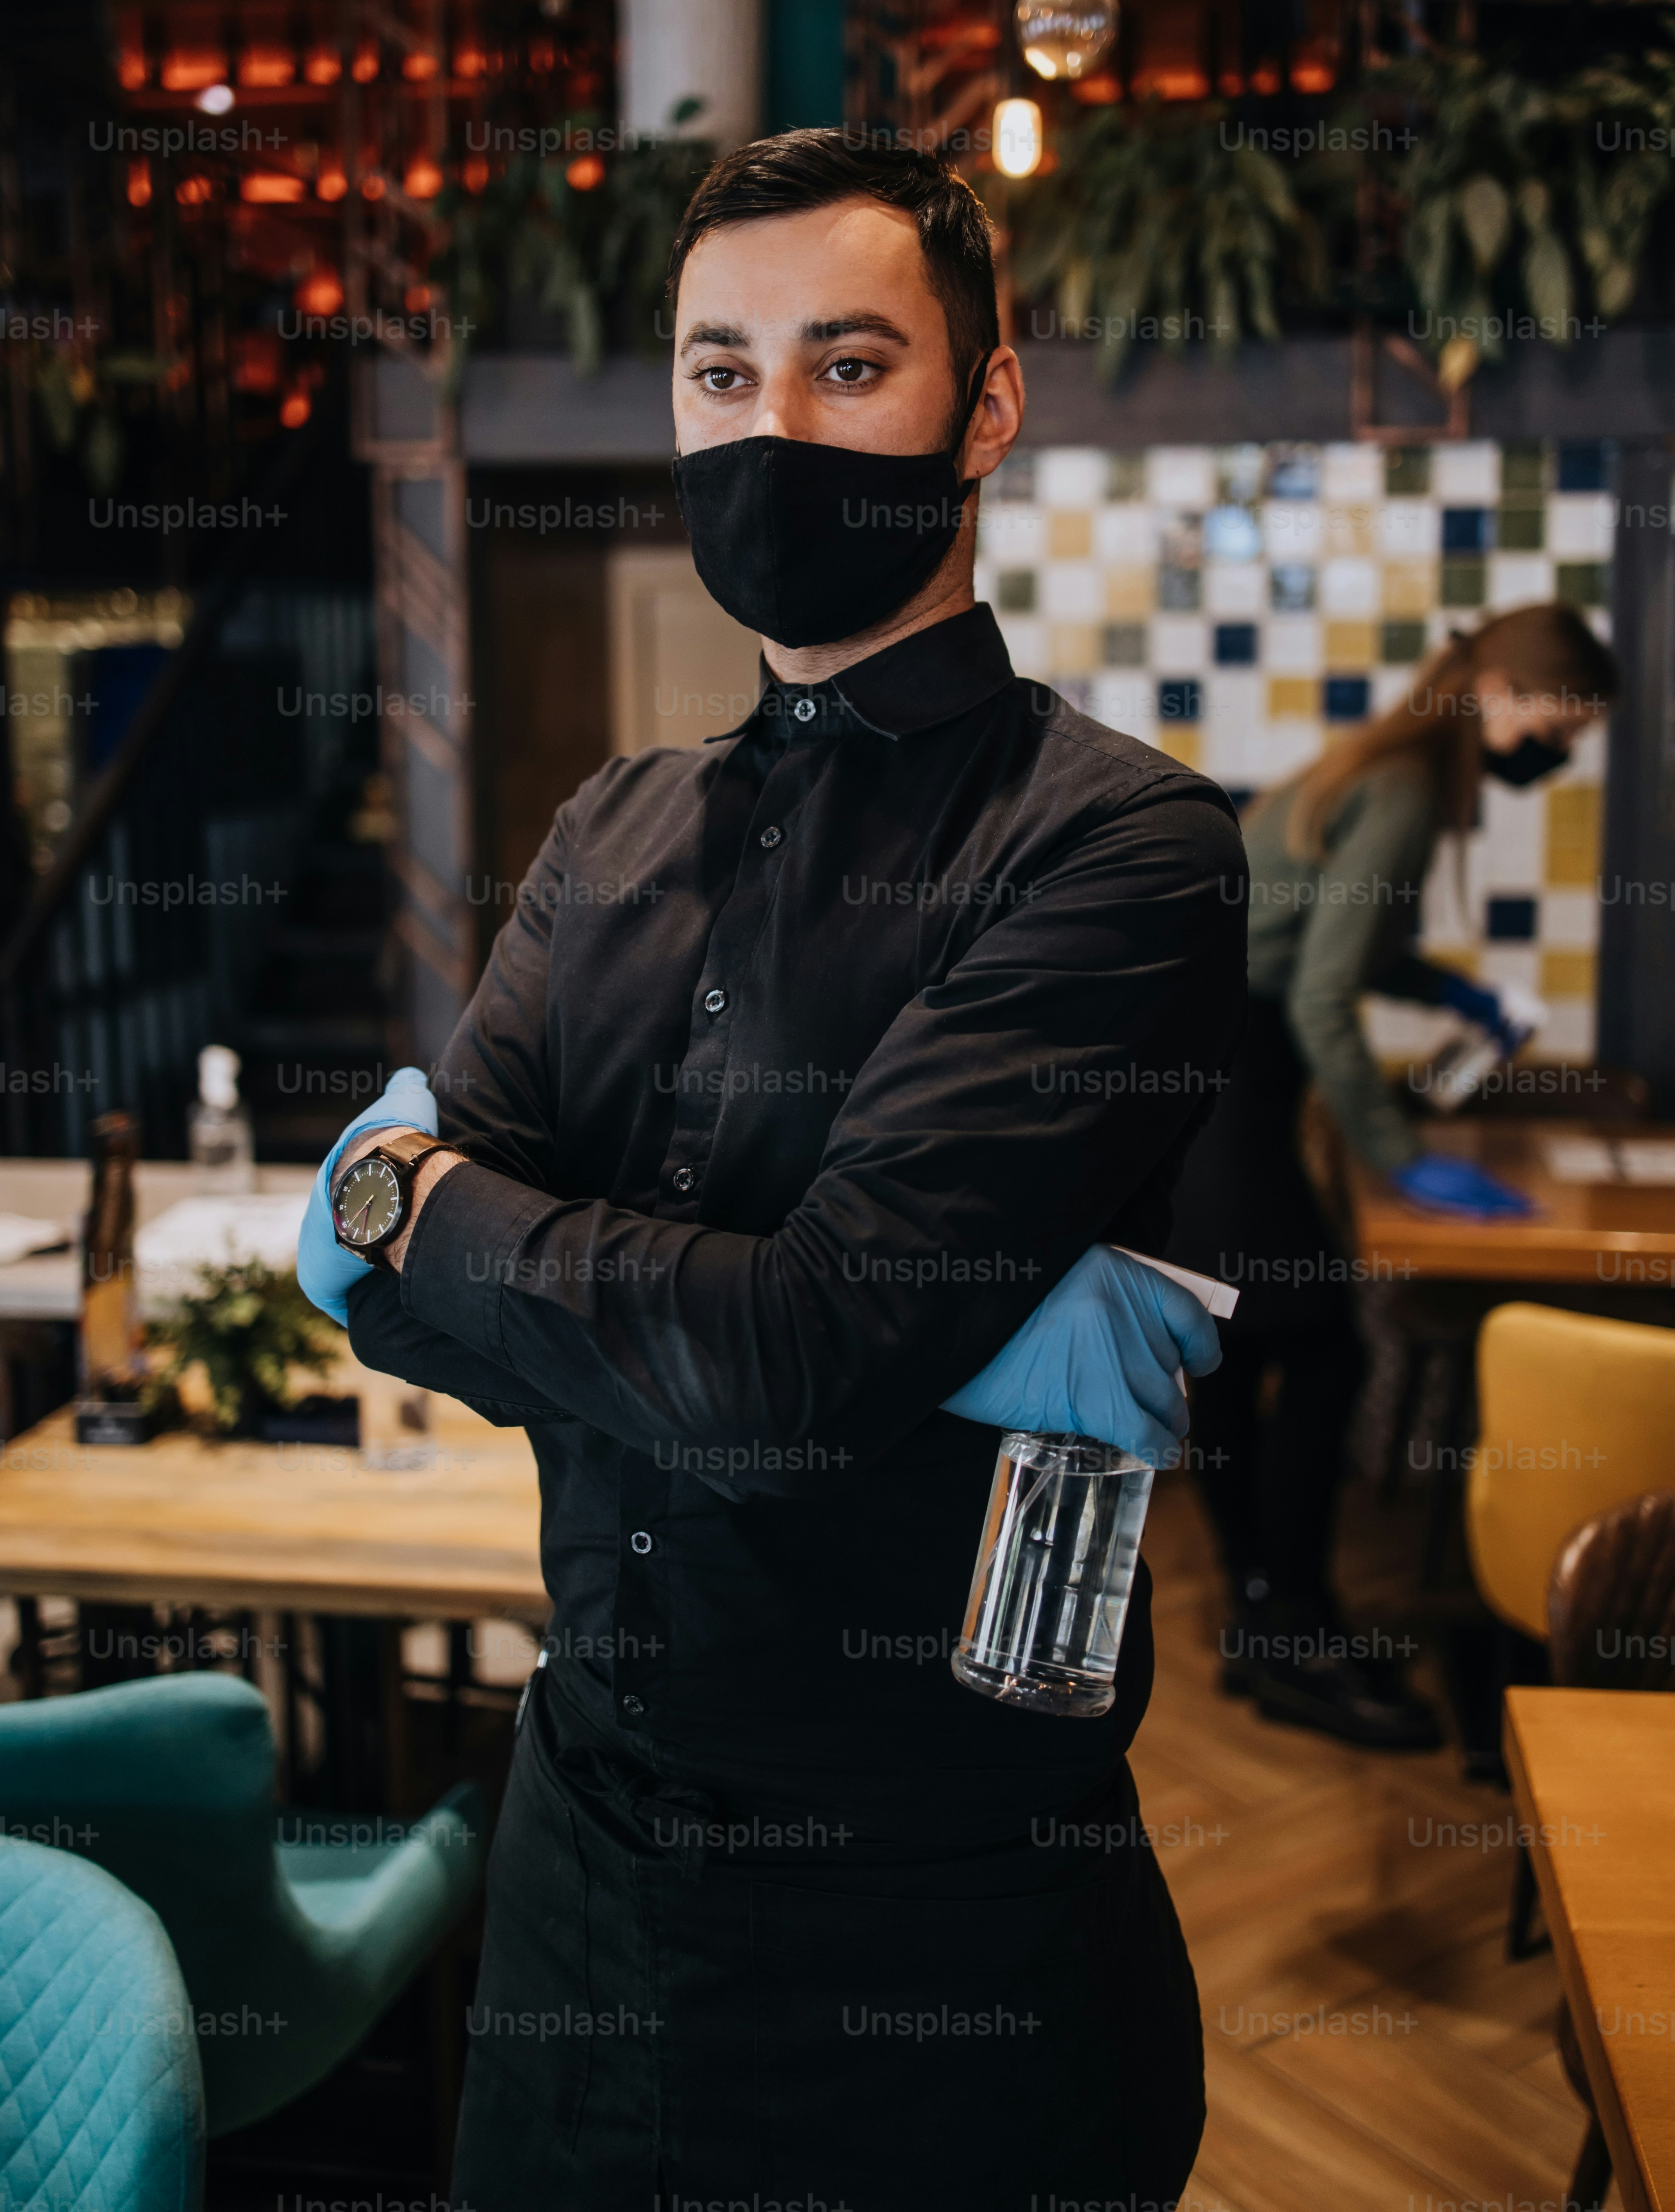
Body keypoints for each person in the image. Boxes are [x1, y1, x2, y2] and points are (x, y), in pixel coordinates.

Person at [298, 128, 1247, 2211]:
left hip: (940, 1936)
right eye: (720, 375)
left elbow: (782, 1362)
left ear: (983, 404)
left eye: (847, 364)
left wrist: (430, 1202)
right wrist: (761, 1321)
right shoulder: (610, 829)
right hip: (575, 1874)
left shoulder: (1121, 849)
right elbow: (398, 1309)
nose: (774, 426)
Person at [1169, 604, 1619, 1748]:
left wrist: (1449, 993)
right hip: (1234, 1083)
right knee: (1318, 1348)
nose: (1560, 751)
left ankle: (1271, 1625)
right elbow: (1322, 992)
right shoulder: (1415, 784)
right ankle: (1289, 1639)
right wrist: (1402, 1158)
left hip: (1202, 1072)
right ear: (1509, 697)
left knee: (1242, 1352)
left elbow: (1330, 941)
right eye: (1563, 724)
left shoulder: (1391, 764)